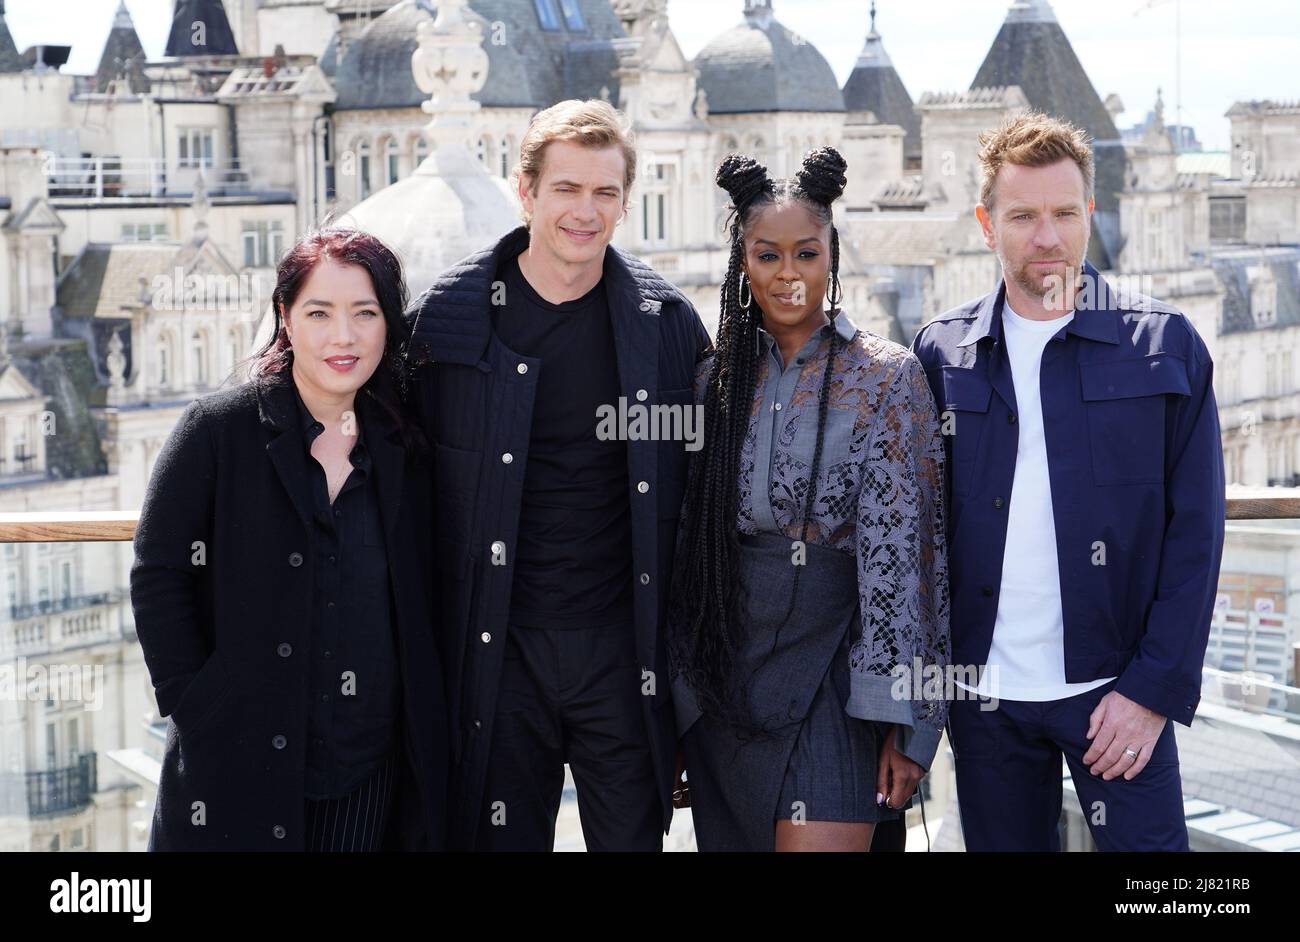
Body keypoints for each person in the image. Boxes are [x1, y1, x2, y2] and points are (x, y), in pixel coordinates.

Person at [911, 112, 1226, 851]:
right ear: (988, 223)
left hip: (1117, 695)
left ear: (1088, 213)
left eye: (1062, 213)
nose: (1046, 236)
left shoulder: (1166, 345)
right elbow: (915, 536)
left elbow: (1198, 536)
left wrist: (1151, 692)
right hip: (984, 701)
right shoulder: (939, 353)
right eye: (1022, 215)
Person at [404, 99, 712, 851]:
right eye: (567, 189)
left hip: (622, 657)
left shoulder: (667, 323)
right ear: (526, 190)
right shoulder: (448, 320)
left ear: (625, 202)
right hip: (495, 655)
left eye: (605, 193)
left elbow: (708, 501)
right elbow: (397, 493)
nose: (586, 211)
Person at [668, 147, 951, 852]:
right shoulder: (711, 383)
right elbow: (682, 548)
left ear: (833, 256)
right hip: (727, 680)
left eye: (806, 253)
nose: (787, 274)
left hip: (839, 679)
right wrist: (675, 706)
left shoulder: (888, 378)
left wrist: (911, 721)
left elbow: (912, 557)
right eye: (767, 255)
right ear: (743, 262)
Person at [131, 227, 448, 851]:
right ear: (285, 317)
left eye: (366, 313)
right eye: (319, 312)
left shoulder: (408, 451)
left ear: (390, 323)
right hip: (236, 761)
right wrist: (196, 705)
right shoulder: (216, 431)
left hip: (366, 774)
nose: (344, 336)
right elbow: (159, 573)